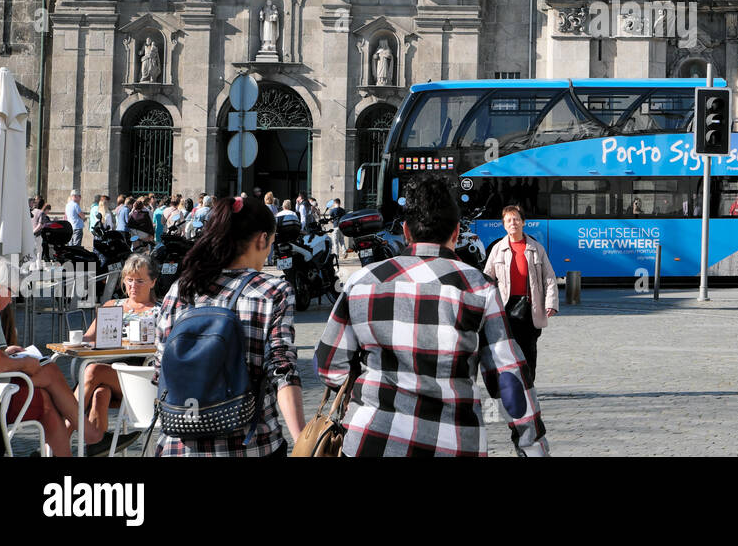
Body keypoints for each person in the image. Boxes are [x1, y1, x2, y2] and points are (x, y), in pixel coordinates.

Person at [314, 178, 548, 456]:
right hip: (455, 444)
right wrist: (531, 445)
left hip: (371, 441)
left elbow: (328, 365)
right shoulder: (479, 288)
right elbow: (508, 379)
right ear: (456, 232)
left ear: (405, 232)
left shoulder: (363, 282)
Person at [154, 196, 304, 457]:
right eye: (270, 242)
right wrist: (303, 439)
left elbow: (159, 369)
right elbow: (283, 370)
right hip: (252, 445)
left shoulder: (181, 288)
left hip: (178, 446)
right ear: (261, 239)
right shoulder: (273, 291)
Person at [0, 257, 79, 456]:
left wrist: (6, 354)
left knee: (46, 391)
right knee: (46, 379)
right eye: (10, 292)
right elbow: (0, 364)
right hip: (0, 396)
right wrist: (25, 362)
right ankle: (85, 431)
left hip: (2, 389)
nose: (10, 300)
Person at [76, 254, 160, 451]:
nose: (133, 285)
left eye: (139, 280)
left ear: (153, 282)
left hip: (141, 378)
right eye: (129, 280)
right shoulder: (112, 306)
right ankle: (96, 445)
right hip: (112, 375)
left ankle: (60, 434)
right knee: (100, 393)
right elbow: (88, 339)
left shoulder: (159, 311)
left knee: (92, 371)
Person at [483, 204, 559, 382]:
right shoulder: (497, 249)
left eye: (516, 219)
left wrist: (551, 303)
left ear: (524, 222)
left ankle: (528, 383)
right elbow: (487, 279)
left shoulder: (536, 248)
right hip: (505, 308)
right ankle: (513, 386)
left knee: (529, 350)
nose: (513, 223)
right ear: (503, 224)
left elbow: (549, 277)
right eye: (508, 220)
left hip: (530, 309)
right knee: (506, 350)